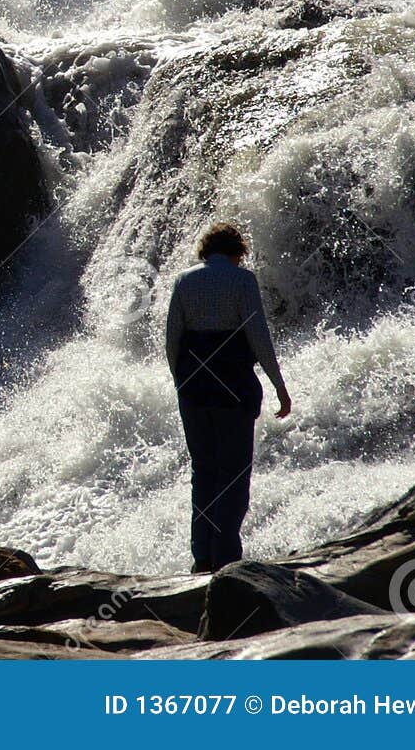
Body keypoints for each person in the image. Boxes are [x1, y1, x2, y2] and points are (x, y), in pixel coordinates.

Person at [163, 222, 292, 573]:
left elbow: (172, 341)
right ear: (238, 252)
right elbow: (259, 337)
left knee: (203, 471)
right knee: (234, 474)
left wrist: (183, 384)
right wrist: (279, 385)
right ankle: (226, 558)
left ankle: (201, 557)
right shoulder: (242, 280)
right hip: (233, 388)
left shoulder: (184, 280)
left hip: (193, 389)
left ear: (205, 250)